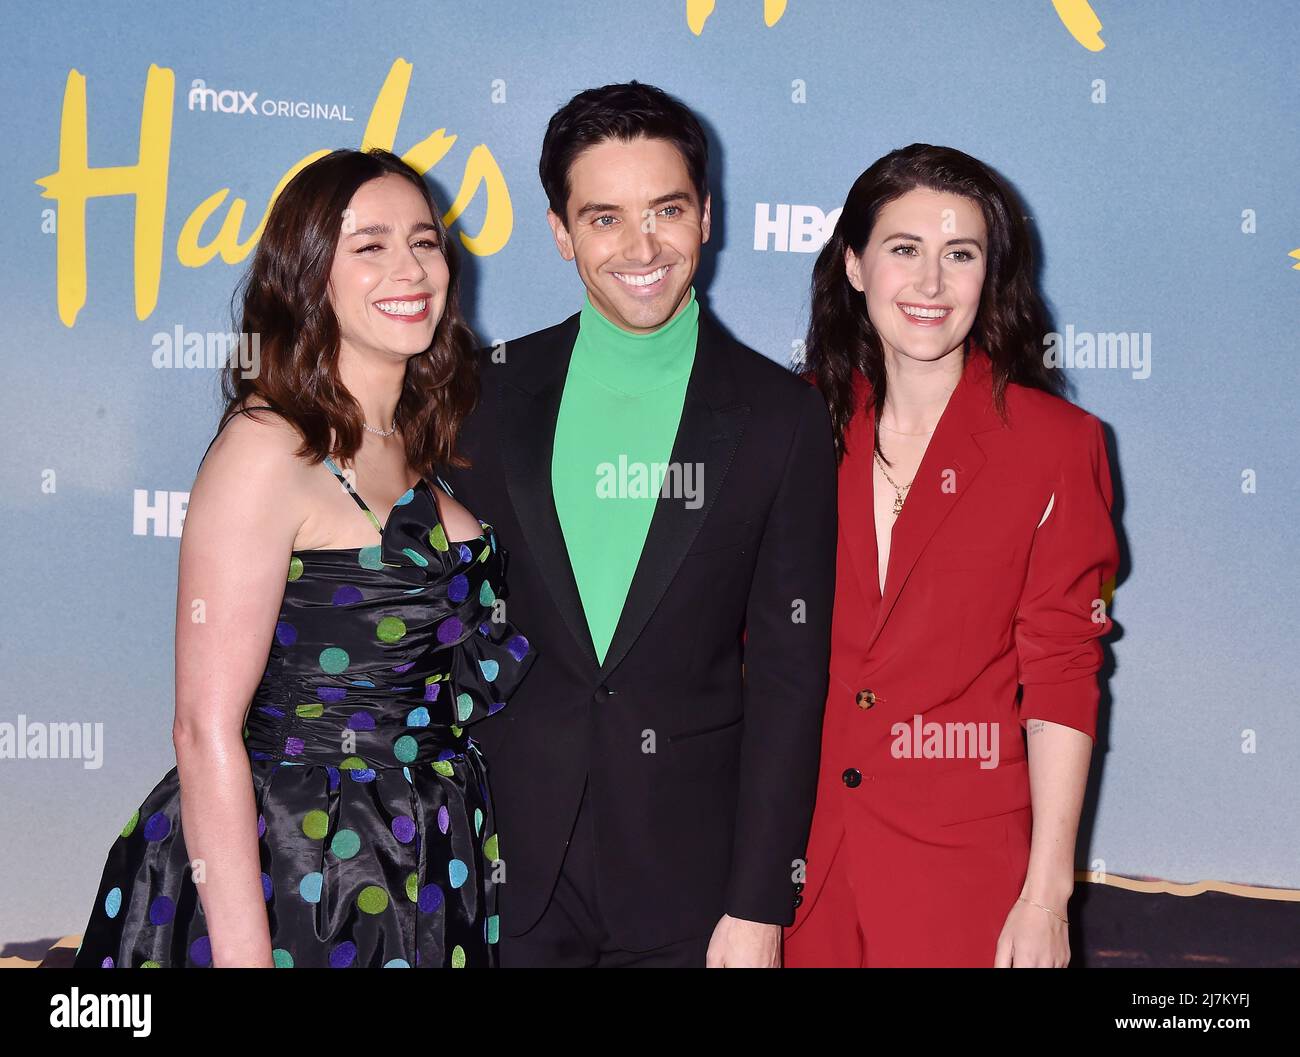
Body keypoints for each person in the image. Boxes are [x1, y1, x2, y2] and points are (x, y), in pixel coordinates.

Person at [73, 148, 534, 968]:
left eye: (425, 241)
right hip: (293, 870)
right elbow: (202, 725)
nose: (410, 267)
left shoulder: (423, 443)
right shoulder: (268, 448)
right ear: (308, 275)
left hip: (426, 859)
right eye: (370, 246)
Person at [442, 81, 837, 967]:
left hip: (692, 885)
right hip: (505, 862)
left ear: (707, 213)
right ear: (560, 232)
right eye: (605, 218)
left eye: (665, 210)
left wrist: (760, 901)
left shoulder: (781, 417)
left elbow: (789, 673)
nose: (642, 246)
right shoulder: (483, 393)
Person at [784, 143, 1120, 968]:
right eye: (905, 250)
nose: (931, 285)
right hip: (799, 868)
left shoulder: (1056, 445)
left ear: (989, 275)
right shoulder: (790, 425)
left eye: (959, 255)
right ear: (856, 266)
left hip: (966, 875)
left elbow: (1063, 675)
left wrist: (1046, 897)